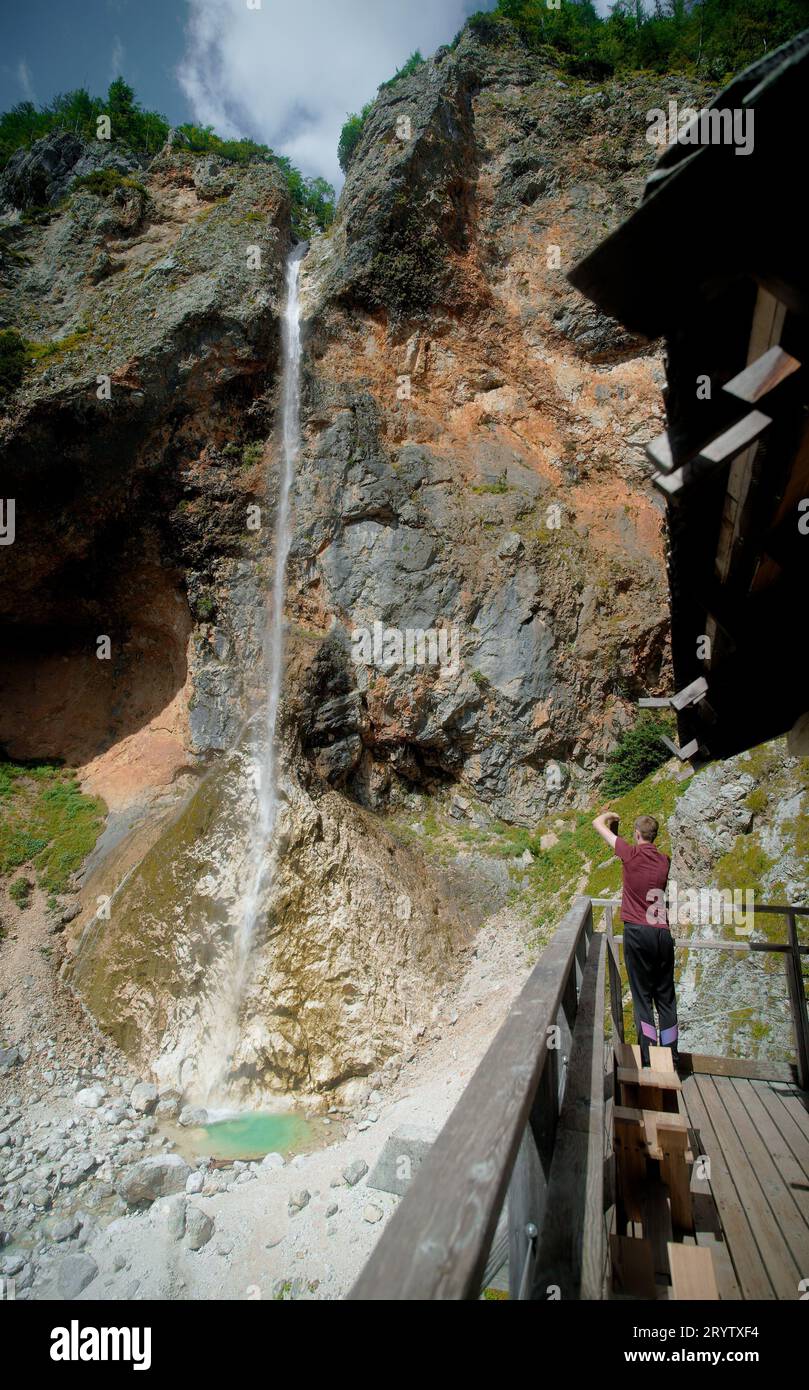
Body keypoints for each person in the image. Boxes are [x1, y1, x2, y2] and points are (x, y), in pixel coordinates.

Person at [592, 810, 679, 1068]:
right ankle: (672, 1057)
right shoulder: (665, 860)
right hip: (662, 933)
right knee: (666, 997)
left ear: (637, 834)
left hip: (637, 933)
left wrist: (611, 815)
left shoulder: (629, 854)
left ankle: (648, 1056)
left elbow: (598, 824)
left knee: (642, 996)